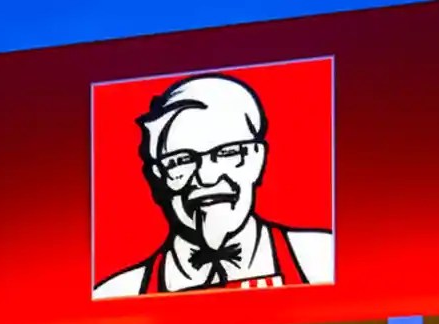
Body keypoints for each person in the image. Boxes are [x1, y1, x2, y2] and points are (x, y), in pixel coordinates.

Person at [94, 73, 334, 298]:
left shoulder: (323, 260)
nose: (207, 177)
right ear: (158, 176)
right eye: (182, 160)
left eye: (228, 152)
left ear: (258, 159)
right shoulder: (116, 293)